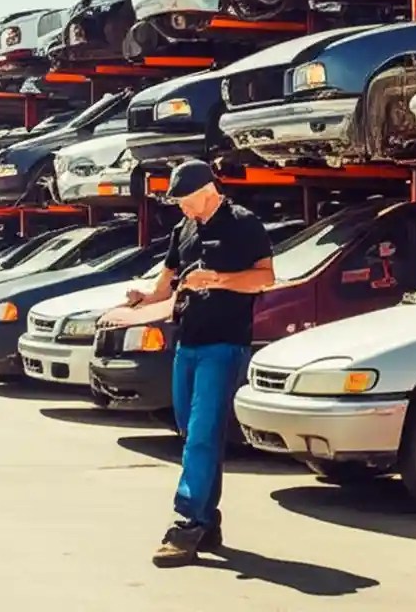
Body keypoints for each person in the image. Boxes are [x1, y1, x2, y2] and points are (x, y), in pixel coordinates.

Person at [99, 159, 274, 567]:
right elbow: (167, 284)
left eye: (185, 200)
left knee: (201, 433)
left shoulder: (243, 223)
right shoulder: (185, 229)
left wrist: (216, 280)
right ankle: (207, 522)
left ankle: (187, 521)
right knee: (190, 429)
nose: (181, 208)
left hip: (224, 344)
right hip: (188, 343)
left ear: (208, 190)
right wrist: (142, 299)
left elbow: (265, 278)